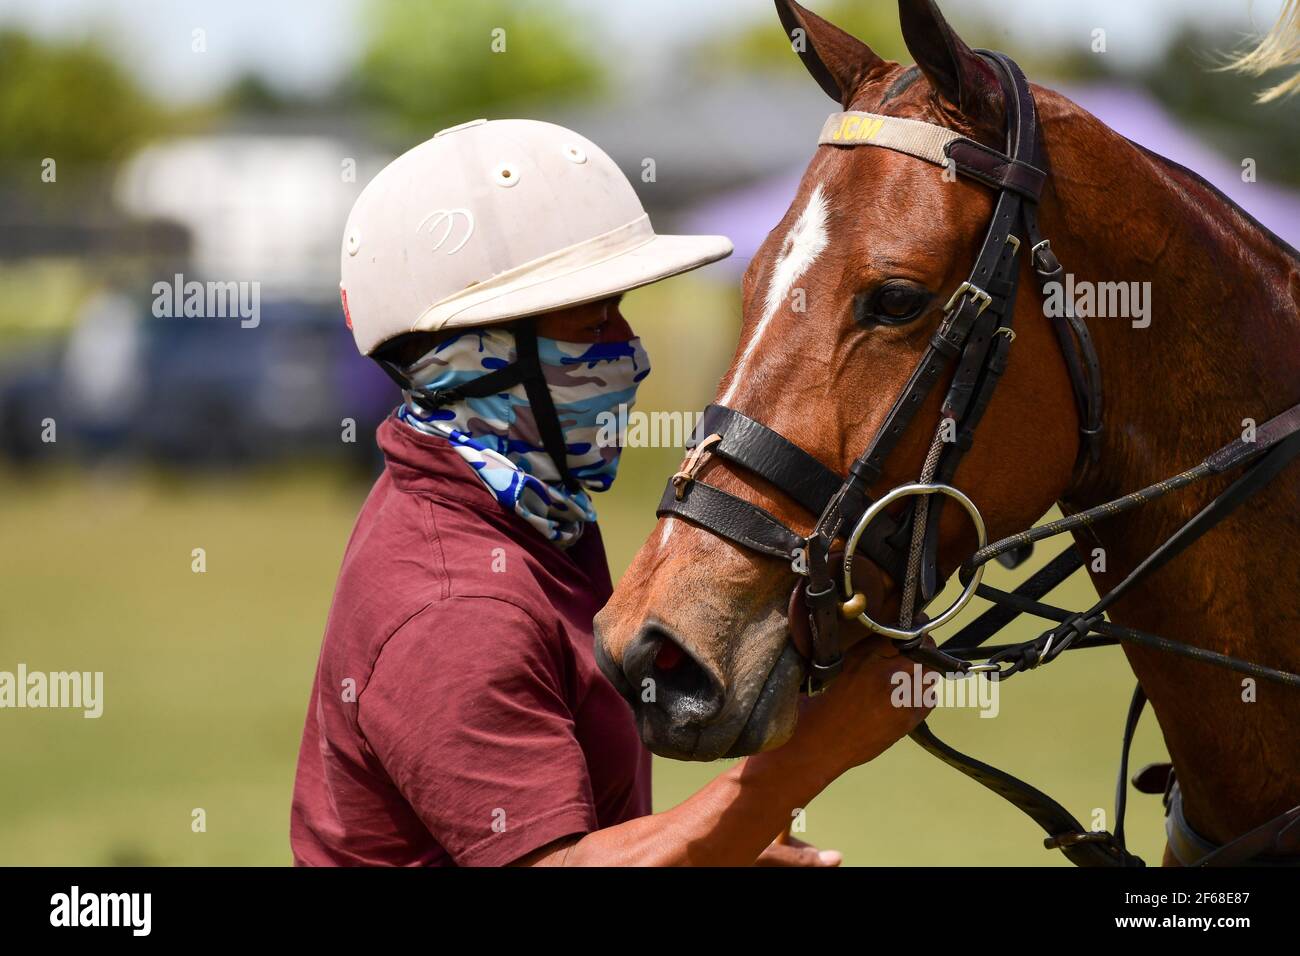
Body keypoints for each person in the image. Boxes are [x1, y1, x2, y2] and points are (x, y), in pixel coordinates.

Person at [290, 118, 929, 866]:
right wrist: (804, 762)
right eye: (594, 320)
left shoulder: (505, 511)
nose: (632, 354)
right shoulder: (460, 604)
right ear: (478, 357)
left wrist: (714, 853)